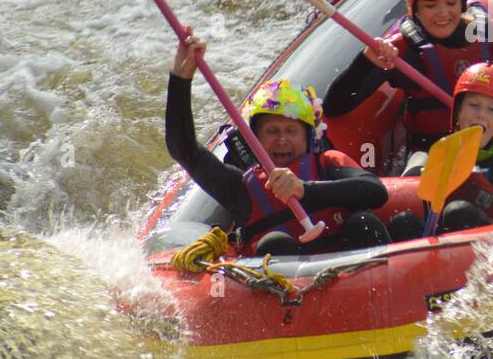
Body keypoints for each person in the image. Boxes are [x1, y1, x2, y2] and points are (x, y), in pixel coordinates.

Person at [166, 28, 390, 257]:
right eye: (272, 131)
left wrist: (304, 189)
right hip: (289, 288)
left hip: (355, 279)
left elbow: (375, 192)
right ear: (256, 140)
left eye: (291, 131)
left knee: (364, 223)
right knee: (274, 244)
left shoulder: (328, 163)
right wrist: (180, 78)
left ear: (308, 137)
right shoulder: (241, 188)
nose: (282, 140)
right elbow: (182, 149)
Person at [324, 0, 493, 174]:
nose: (443, 13)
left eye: (451, 3)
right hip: (432, 152)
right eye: (431, 5)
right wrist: (364, 62)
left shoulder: (488, 34)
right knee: (415, 175)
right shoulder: (403, 51)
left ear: (462, 3)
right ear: (415, 8)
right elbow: (335, 107)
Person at [388, 63, 493, 240]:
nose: (481, 115)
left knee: (458, 212)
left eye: (492, 110)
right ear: (458, 111)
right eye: (473, 105)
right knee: (403, 222)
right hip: (444, 249)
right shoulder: (439, 153)